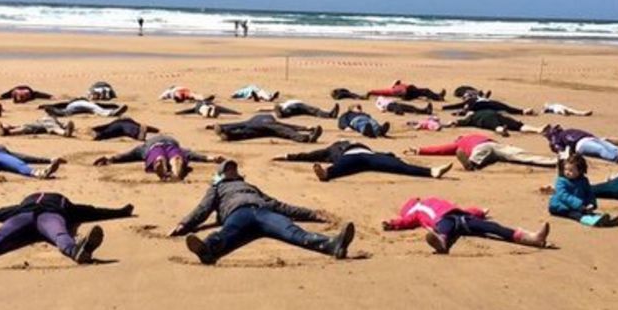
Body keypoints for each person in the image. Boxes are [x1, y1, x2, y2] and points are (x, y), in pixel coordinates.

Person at [169, 160, 355, 265]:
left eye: (233, 168)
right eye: (228, 169)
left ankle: (333, 245)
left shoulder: (251, 186)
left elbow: (278, 205)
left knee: (292, 231)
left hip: (263, 211)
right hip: (238, 213)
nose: (232, 170)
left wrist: (312, 214)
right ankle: (206, 249)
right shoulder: (217, 189)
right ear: (221, 175)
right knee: (226, 233)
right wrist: (184, 224)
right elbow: (203, 209)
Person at [0, 192, 134, 267]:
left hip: (26, 217)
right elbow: (93, 211)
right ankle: (76, 251)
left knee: (1, 237)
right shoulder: (65, 204)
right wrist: (122, 211)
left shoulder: (23, 205)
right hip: (49, 216)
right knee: (60, 234)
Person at [382, 197, 549, 254]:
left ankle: (533, 238)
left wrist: (479, 211)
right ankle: (441, 242)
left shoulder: (423, 206)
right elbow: (407, 221)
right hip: (446, 219)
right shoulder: (417, 210)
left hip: (459, 216)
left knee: (492, 227)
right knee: (445, 229)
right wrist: (393, 223)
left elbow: (464, 210)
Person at [272, 140, 451, 182]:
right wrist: (288, 156)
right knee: (342, 166)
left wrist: (391, 155)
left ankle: (431, 172)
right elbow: (310, 154)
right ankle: (326, 174)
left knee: (397, 166)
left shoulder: (362, 145)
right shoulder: (332, 149)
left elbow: (383, 153)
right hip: (349, 157)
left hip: (369, 155)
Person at [93, 135, 223, 181]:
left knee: (163, 157)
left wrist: (110, 158)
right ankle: (175, 173)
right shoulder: (144, 147)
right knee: (177, 158)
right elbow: (192, 154)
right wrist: (210, 158)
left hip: (156, 147)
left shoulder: (144, 146)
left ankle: (162, 167)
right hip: (169, 146)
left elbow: (128, 155)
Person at [407, 133, 558, 171]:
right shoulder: (478, 135)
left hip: (480, 148)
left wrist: (420, 150)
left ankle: (471, 164)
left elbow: (440, 150)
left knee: (477, 158)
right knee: (520, 156)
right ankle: (554, 161)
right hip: (493, 145)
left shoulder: (459, 143)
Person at [548, 154, 618, 227]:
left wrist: (591, 204)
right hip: (560, 207)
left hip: (579, 206)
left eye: (571, 170)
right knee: (576, 214)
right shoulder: (561, 181)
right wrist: (579, 205)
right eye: (566, 169)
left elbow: (589, 193)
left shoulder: (583, 180)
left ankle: (605, 221)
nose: (567, 172)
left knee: (589, 212)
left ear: (580, 171)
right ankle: (592, 222)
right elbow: (563, 195)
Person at [542, 124, 618, 164]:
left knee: (610, 147)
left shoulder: (566, 131)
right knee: (602, 150)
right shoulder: (555, 138)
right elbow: (560, 150)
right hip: (580, 144)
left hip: (590, 139)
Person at [210, 114, 322, 143]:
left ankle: (228, 133)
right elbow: (287, 126)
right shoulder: (269, 119)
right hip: (265, 124)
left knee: (249, 132)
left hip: (261, 127)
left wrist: (306, 128)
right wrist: (305, 128)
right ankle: (306, 138)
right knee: (284, 131)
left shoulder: (266, 119)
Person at [452, 109, 547, 136]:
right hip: (488, 118)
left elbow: (457, 122)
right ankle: (537, 129)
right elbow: (458, 122)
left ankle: (538, 129)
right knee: (517, 125)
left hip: (495, 116)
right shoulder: (470, 118)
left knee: (517, 125)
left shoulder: (473, 115)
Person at [443, 95, 535, 115]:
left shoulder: (475, 98)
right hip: (482, 106)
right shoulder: (469, 101)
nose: (465, 98)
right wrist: (445, 107)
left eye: (466, 96)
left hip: (489, 103)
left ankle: (522, 111)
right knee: (504, 107)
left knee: (504, 107)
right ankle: (523, 111)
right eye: (464, 97)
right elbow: (456, 105)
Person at [0, 116, 75, 138]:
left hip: (40, 125)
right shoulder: (52, 119)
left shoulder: (53, 120)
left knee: (24, 128)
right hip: (42, 124)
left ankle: (6, 130)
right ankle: (5, 129)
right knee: (23, 127)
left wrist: (66, 126)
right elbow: (63, 125)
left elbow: (63, 125)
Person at [367, 80, 446, 101]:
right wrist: (371, 92)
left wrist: (372, 92)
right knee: (425, 91)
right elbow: (382, 91)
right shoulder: (393, 89)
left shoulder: (396, 88)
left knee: (424, 92)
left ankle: (437, 96)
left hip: (408, 93)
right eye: (398, 82)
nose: (399, 82)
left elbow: (382, 92)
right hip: (408, 92)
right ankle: (438, 97)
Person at [40, 99, 127, 118]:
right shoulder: (79, 101)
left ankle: (55, 112)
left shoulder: (71, 103)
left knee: (66, 112)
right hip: (77, 105)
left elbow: (61, 104)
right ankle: (112, 113)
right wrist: (114, 105)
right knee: (97, 109)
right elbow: (62, 103)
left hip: (73, 106)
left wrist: (48, 105)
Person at [91, 118, 157, 141]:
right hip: (123, 121)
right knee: (127, 128)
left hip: (119, 123)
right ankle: (140, 130)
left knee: (124, 128)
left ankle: (138, 133)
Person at [273, 100, 339, 119]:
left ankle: (330, 115)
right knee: (314, 111)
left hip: (298, 106)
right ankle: (329, 115)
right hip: (295, 105)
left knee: (314, 111)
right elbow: (275, 106)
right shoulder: (283, 104)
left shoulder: (284, 103)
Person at [176, 101, 240, 118]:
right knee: (218, 108)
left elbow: (188, 111)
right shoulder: (197, 107)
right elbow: (225, 110)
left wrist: (179, 112)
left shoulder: (196, 107)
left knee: (203, 110)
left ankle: (209, 112)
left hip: (201, 109)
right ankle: (210, 111)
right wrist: (235, 112)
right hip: (207, 106)